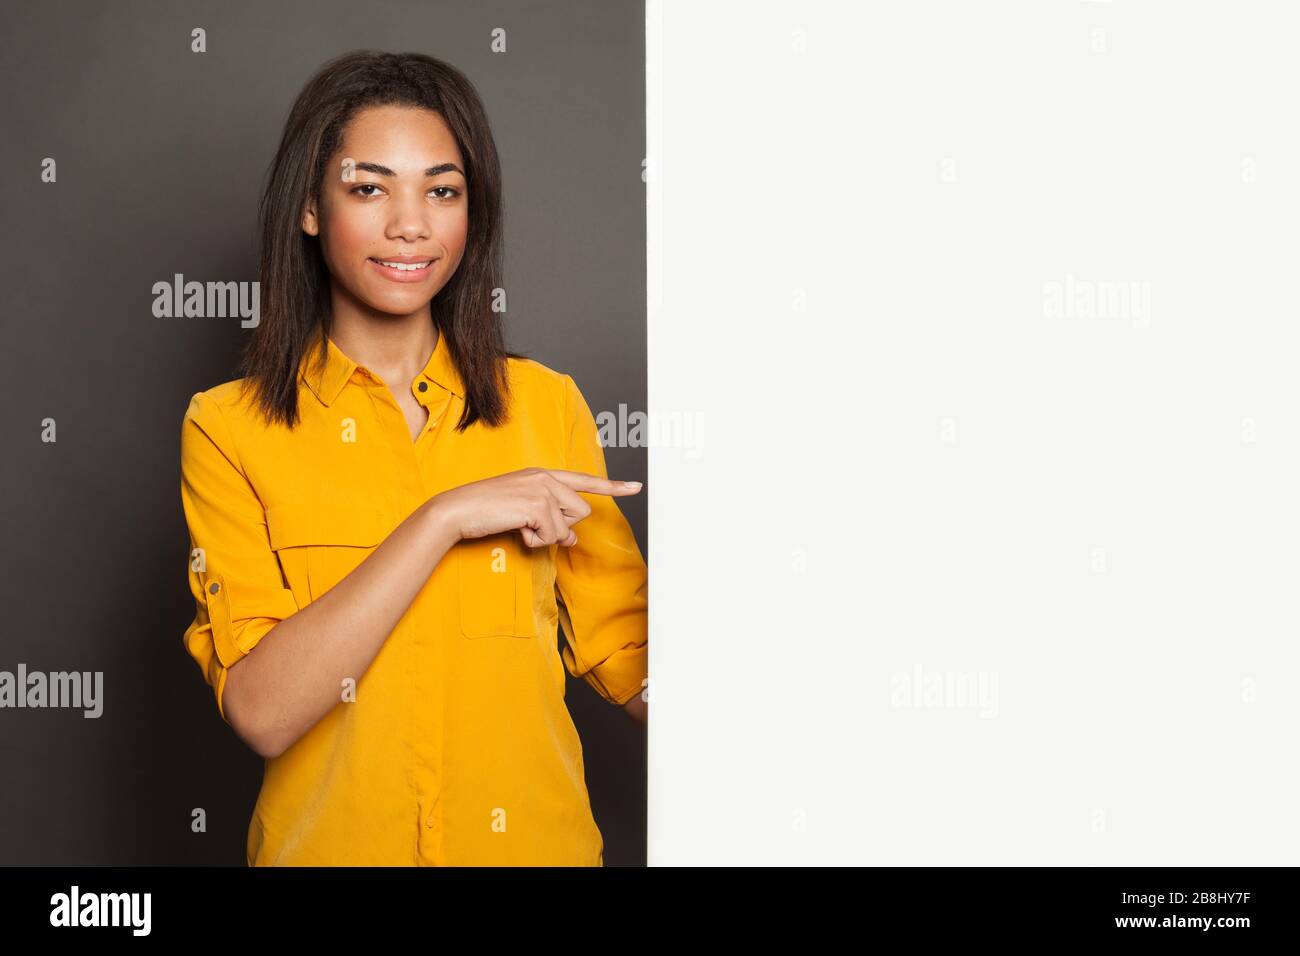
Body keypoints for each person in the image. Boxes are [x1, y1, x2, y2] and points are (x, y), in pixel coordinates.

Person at [178, 50, 648, 866]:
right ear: (311, 208)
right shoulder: (228, 428)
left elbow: (632, 657)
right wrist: (446, 517)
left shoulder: (546, 406)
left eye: (442, 189)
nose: (411, 224)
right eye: (369, 187)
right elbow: (262, 709)